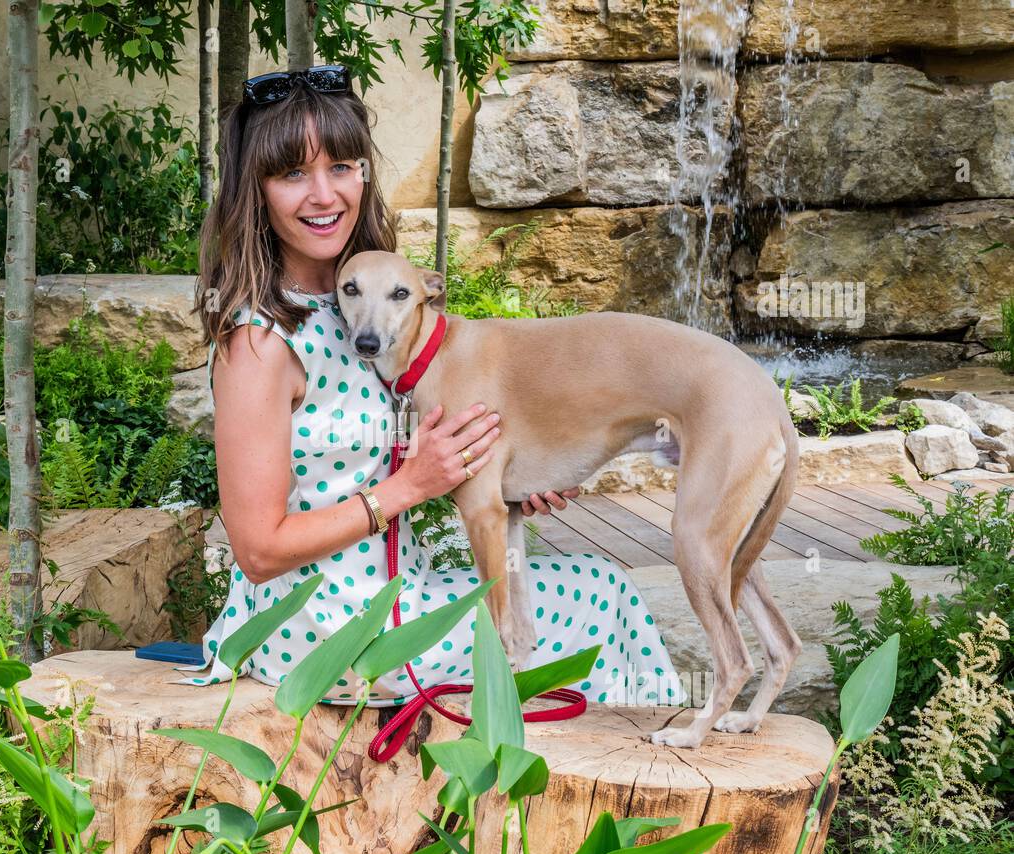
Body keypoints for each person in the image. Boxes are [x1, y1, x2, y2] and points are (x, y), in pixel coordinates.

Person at [174, 65, 688, 711]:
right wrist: (411, 487)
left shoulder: (362, 307)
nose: (324, 194)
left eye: (342, 166)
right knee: (597, 598)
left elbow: (387, 464)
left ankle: (611, 777)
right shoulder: (259, 343)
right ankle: (588, 786)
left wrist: (507, 480)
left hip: (393, 590)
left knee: (596, 579)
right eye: (292, 174)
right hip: (330, 634)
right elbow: (256, 550)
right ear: (256, 190)